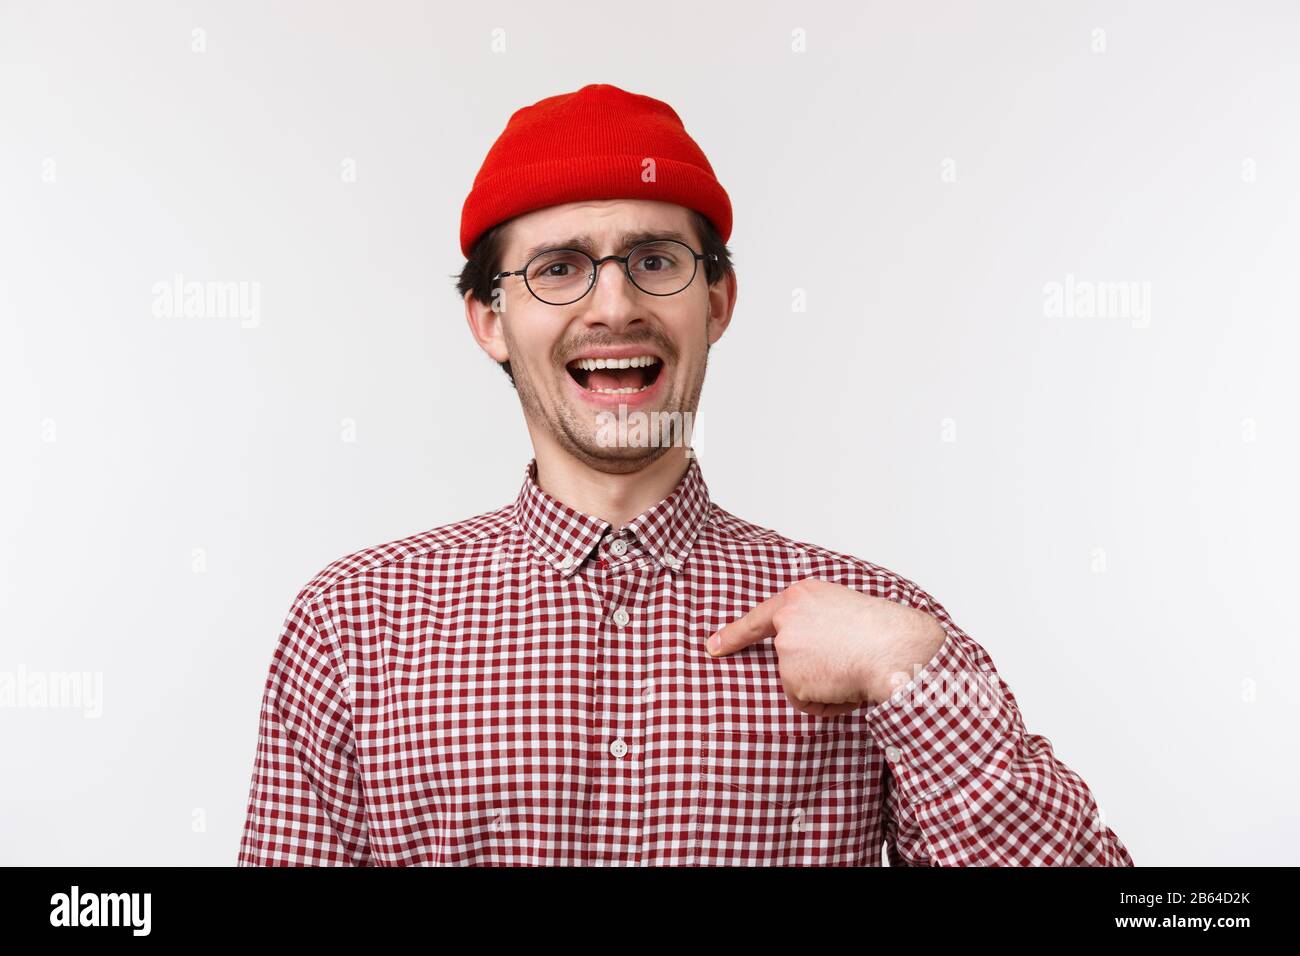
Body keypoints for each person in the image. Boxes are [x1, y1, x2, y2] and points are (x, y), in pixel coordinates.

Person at [237, 82, 1132, 867]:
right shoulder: (352, 625)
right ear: (489, 321)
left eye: (655, 261)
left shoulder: (874, 620)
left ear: (716, 302)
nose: (615, 305)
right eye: (560, 269)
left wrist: (918, 675)